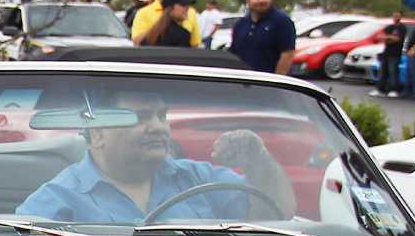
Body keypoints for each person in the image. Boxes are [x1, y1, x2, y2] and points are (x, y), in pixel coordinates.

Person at [17, 89, 296, 223]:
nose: (159, 127)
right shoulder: (58, 198)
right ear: (98, 134)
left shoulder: (201, 179)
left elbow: (277, 214)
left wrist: (259, 159)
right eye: (140, 118)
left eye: (162, 116)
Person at [226, 0, 295, 74]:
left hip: (268, 83)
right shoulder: (240, 25)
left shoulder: (282, 22)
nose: (261, 0)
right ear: (248, 0)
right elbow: (234, 55)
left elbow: (287, 54)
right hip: (243, 82)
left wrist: (277, 82)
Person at [130, 0, 200, 46]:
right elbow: (137, 42)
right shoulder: (144, 13)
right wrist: (159, 27)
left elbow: (195, 44)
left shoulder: (191, 12)